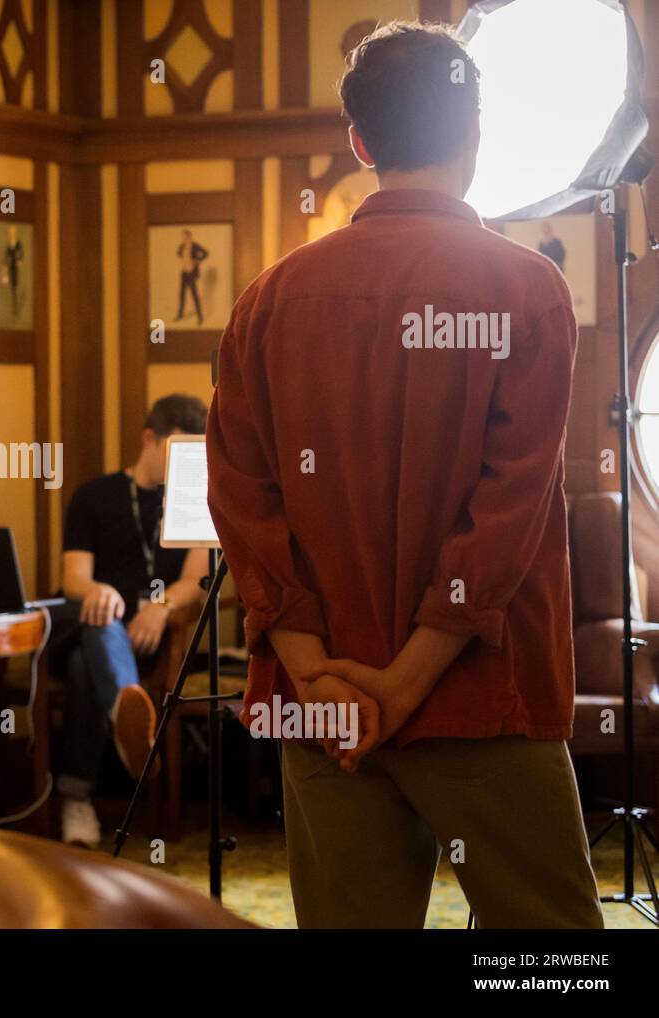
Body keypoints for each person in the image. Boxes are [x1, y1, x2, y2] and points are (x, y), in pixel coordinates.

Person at [206, 21, 603, 928]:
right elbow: (508, 512)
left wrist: (317, 676)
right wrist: (410, 677)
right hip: (482, 695)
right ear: (475, 132)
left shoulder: (265, 301)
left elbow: (241, 501)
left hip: (323, 707)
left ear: (359, 142)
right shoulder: (528, 288)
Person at [55, 394, 210, 846]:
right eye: (177, 451)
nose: (185, 465)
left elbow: (196, 579)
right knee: (100, 618)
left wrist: (161, 609)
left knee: (86, 669)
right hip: (90, 622)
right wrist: (99, 591)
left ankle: (76, 800)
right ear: (150, 439)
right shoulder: (94, 496)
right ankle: (125, 707)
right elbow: (73, 579)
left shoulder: (189, 502)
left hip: (149, 642)